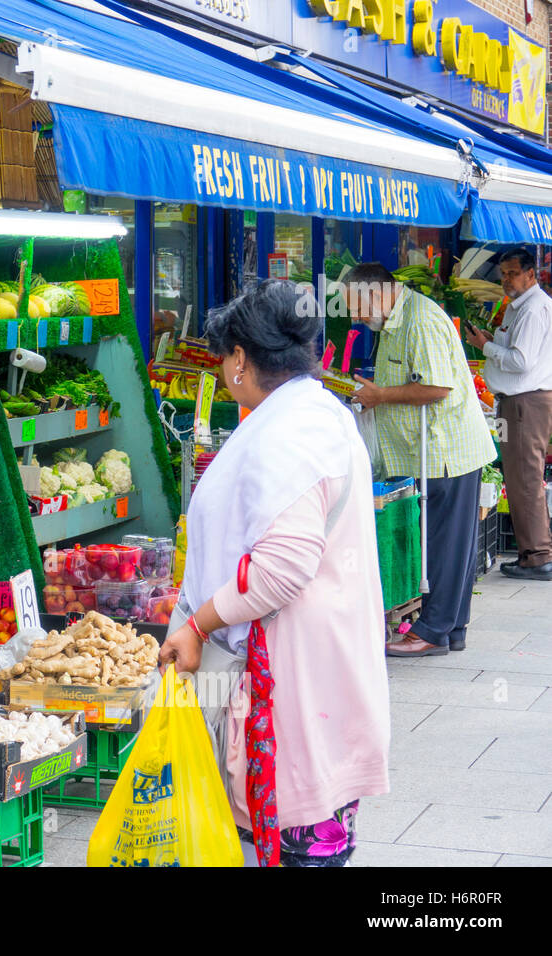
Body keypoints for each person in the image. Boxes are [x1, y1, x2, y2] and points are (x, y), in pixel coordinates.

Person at [160, 279, 390, 867]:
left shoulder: (289, 435)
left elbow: (280, 570)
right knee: (311, 831)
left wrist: (198, 624)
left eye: (223, 358)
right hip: (320, 671)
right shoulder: (316, 413)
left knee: (294, 836)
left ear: (240, 358)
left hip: (291, 685)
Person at [344, 262, 495, 656]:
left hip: (445, 451)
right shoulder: (397, 320)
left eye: (358, 307)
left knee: (443, 543)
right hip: (428, 451)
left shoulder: (421, 320)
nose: (357, 318)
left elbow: (437, 387)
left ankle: (431, 630)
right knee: (450, 543)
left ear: (377, 294)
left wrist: (381, 396)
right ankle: (450, 628)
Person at [464, 248, 552, 580]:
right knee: (520, 478)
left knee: (526, 480)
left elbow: (520, 361)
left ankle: (538, 556)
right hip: (517, 403)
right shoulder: (522, 308)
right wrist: (490, 341)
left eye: (513, 273)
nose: (506, 280)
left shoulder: (532, 310)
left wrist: (486, 346)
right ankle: (536, 552)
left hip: (524, 404)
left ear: (531, 274)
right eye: (503, 274)